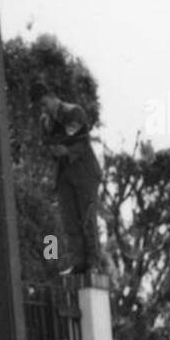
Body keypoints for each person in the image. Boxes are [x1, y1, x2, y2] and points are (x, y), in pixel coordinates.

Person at [34, 82, 104, 276]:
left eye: (44, 103)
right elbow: (48, 145)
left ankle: (93, 263)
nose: (43, 108)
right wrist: (55, 147)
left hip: (84, 173)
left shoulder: (74, 112)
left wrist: (64, 149)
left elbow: (79, 142)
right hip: (63, 175)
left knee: (87, 219)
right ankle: (78, 263)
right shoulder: (45, 121)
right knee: (69, 221)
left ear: (51, 97)